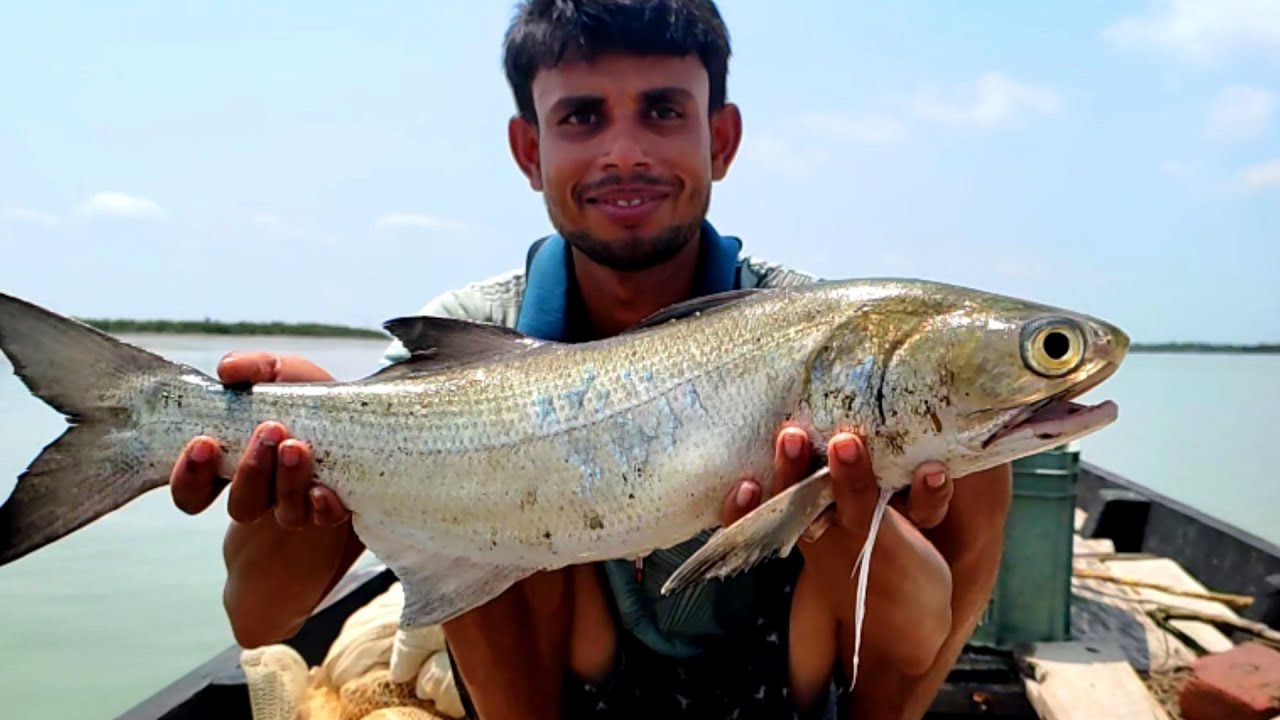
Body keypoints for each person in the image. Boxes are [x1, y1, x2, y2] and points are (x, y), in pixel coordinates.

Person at [168, 1, 1013, 718]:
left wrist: (851, 511)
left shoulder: (802, 317)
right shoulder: (469, 331)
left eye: (661, 111)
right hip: (561, 684)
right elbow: (257, 616)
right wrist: (298, 454)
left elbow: (915, 628)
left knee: (983, 454)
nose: (624, 153)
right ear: (528, 148)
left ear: (721, 137)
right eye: (581, 117)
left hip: (780, 675)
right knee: (480, 473)